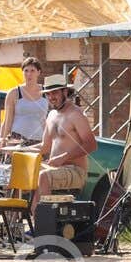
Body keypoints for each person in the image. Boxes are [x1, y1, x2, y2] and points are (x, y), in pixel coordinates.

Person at [34, 74, 96, 211]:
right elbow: (45, 147)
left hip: (75, 171)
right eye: (48, 94)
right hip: (55, 168)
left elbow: (91, 144)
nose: (51, 97)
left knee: (43, 176)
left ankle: (43, 225)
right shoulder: (51, 115)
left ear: (65, 92)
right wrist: (17, 149)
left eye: (55, 92)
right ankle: (20, 223)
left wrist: (63, 158)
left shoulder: (76, 114)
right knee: (21, 171)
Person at [0, 56, 48, 148]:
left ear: (38, 72)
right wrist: (1, 142)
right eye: (26, 71)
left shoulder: (46, 93)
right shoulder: (14, 93)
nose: (29, 74)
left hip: (39, 141)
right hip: (16, 139)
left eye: (32, 71)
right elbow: (7, 120)